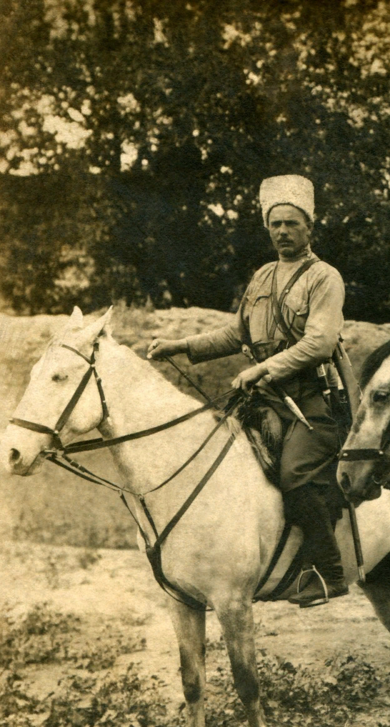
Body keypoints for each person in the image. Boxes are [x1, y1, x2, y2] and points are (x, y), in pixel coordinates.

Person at [148, 174, 348, 608]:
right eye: (275, 224)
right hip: (267, 403)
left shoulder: (325, 278)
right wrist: (181, 347)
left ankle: (328, 572)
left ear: (309, 228)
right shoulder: (261, 278)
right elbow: (234, 333)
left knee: (294, 473)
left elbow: (320, 342)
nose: (282, 232)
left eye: (291, 224)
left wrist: (264, 370)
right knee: (220, 464)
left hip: (312, 405)